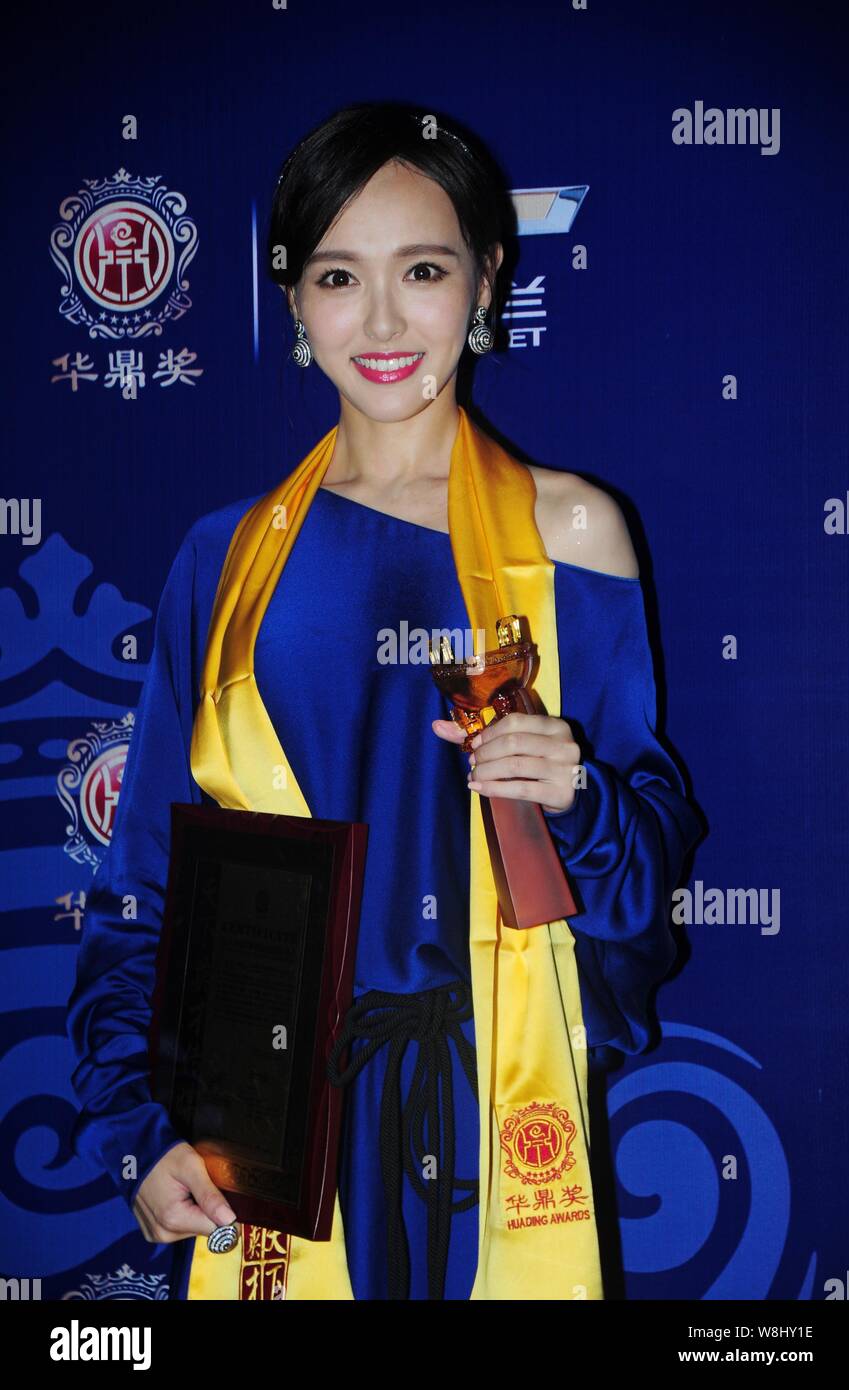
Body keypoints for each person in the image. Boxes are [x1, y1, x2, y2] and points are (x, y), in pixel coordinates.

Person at [67, 100, 702, 1301]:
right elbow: (145, 874)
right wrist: (131, 1126)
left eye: (421, 269)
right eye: (335, 276)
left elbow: (647, 869)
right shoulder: (223, 560)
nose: (381, 320)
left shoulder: (570, 532)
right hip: (272, 1114)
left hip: (500, 1100)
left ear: (485, 278)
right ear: (294, 303)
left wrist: (582, 796)